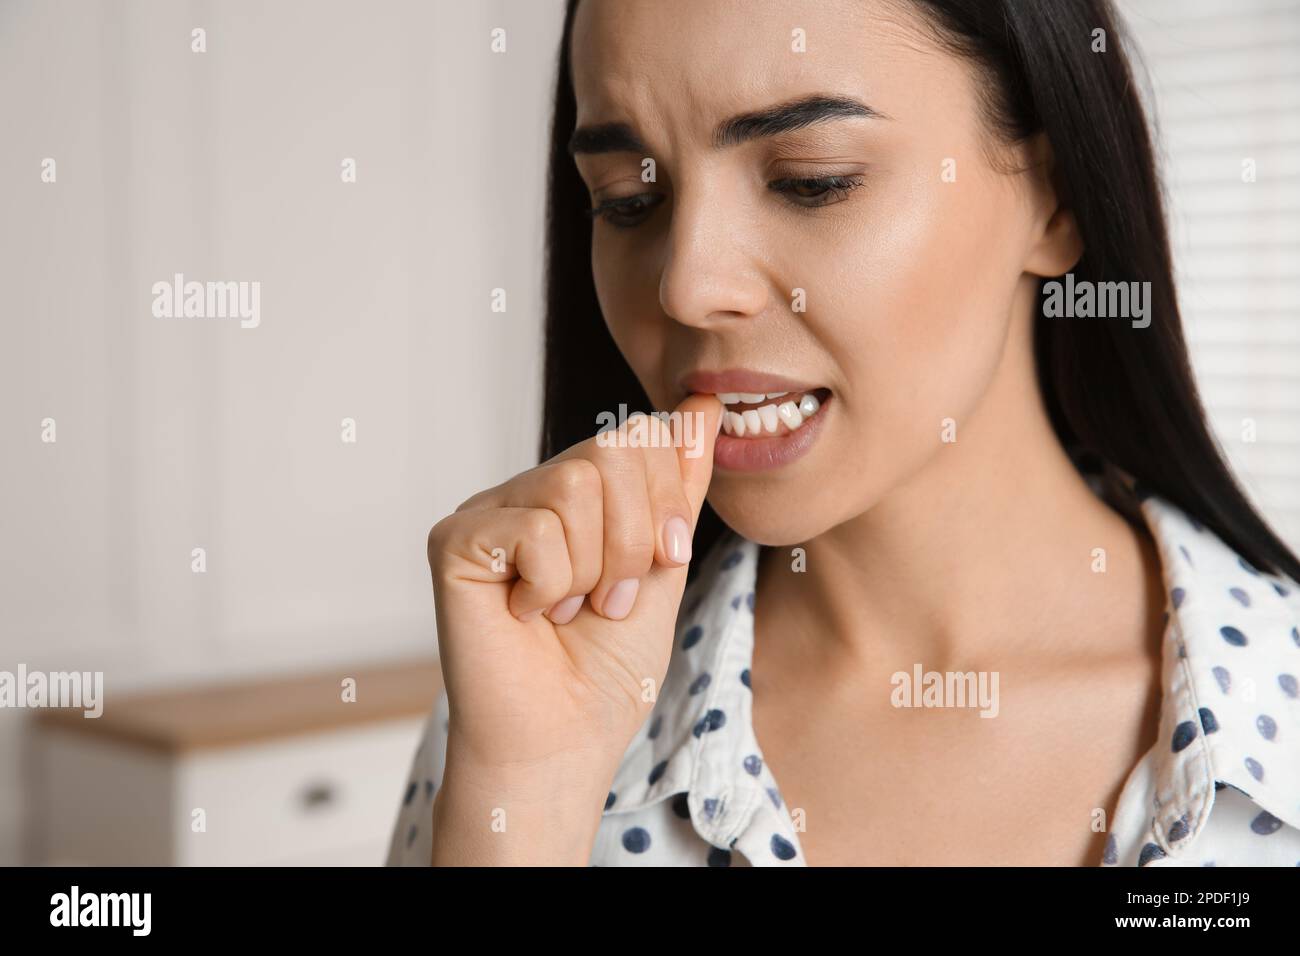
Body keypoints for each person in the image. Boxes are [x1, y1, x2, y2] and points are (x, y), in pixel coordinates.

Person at [387, 0, 1300, 866]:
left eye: (811, 182)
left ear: (1054, 200)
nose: (687, 285)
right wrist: (526, 796)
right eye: (628, 199)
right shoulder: (519, 726)